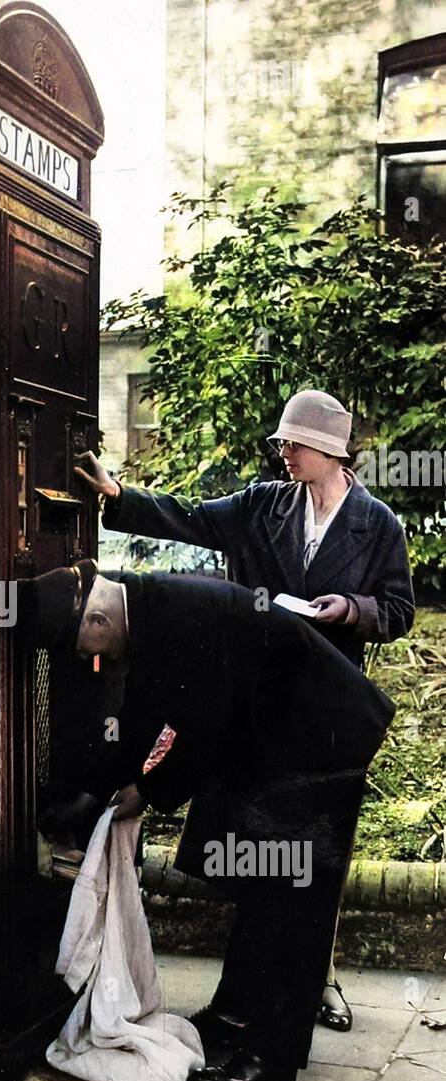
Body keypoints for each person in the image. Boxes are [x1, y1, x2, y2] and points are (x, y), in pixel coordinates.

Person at [74, 390, 415, 1031]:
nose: (283, 452)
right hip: (261, 707)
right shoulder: (263, 504)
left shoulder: (380, 526)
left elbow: (398, 610)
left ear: (331, 451)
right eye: (281, 443)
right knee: (265, 843)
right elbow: (191, 519)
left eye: (295, 444)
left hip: (324, 710)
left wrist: (349, 609)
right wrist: (118, 497)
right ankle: (256, 995)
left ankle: (320, 982)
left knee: (318, 852)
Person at [18, 560, 395, 1081]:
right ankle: (236, 1015)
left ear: (99, 620)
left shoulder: (174, 613)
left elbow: (202, 725)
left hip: (322, 737)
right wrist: (96, 790)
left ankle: (271, 1059)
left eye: (81, 647)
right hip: (282, 739)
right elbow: (146, 716)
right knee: (263, 885)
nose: (87, 658)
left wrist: (146, 791)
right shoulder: (146, 609)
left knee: (294, 898)